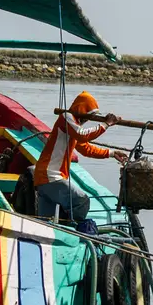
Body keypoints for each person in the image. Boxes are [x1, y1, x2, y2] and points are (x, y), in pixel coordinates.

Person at [34, 91, 126, 223]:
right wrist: (106, 124)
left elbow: (86, 149)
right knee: (81, 201)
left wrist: (111, 153)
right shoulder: (66, 117)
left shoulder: (73, 127)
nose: (86, 121)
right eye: (87, 117)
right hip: (50, 175)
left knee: (45, 221)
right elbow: (82, 134)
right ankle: (73, 228)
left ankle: (56, 233)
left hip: (45, 177)